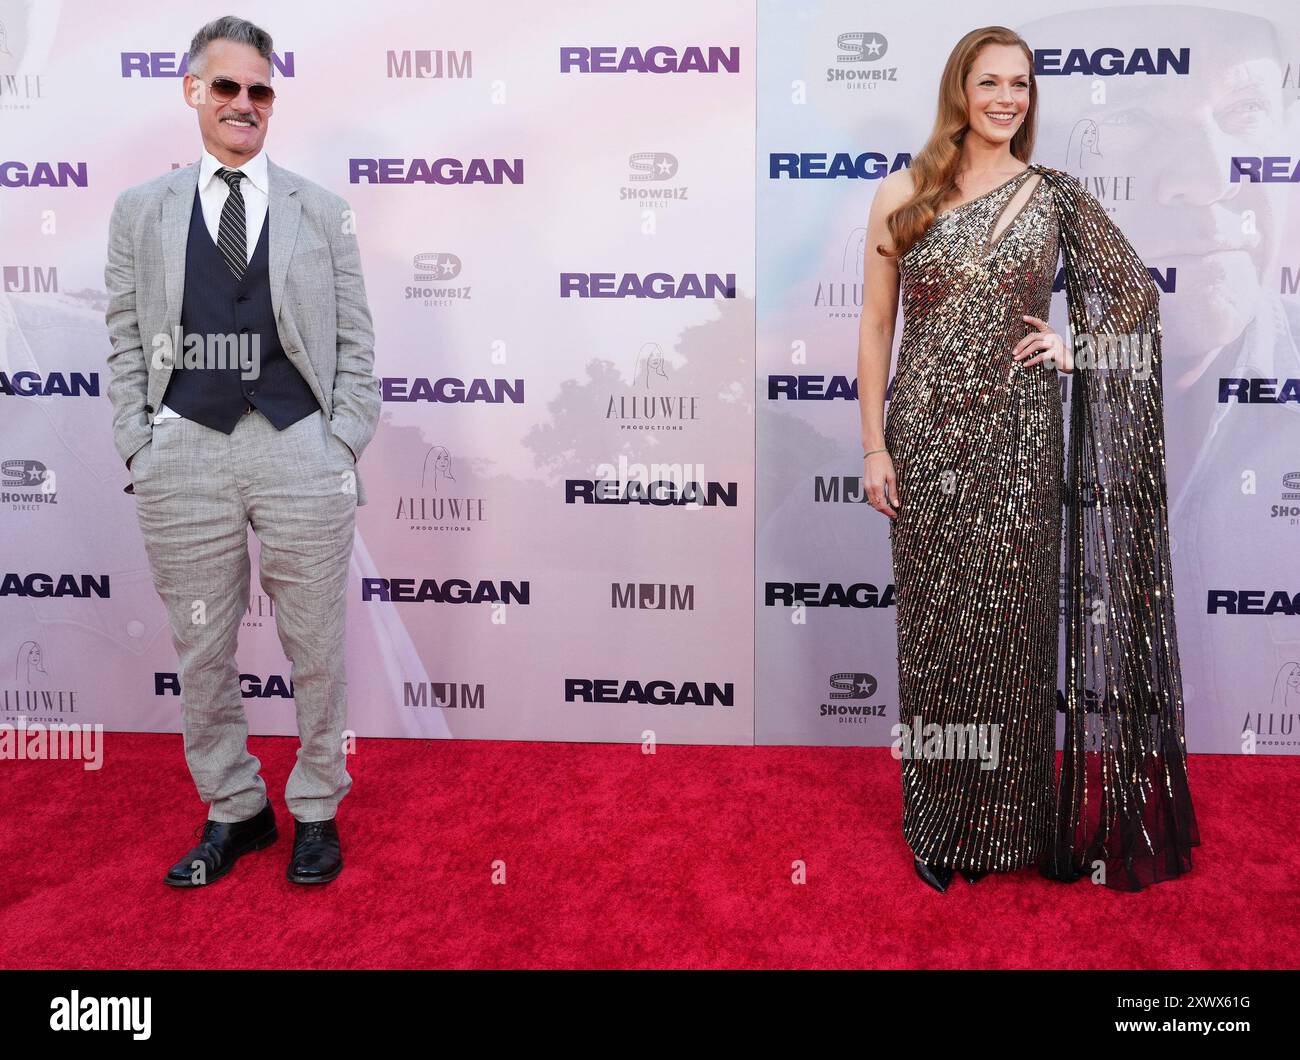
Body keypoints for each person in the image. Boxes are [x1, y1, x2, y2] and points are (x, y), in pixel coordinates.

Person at [857, 26, 1199, 893]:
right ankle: (937, 824)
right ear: (959, 92)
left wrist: (1080, 348)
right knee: (936, 642)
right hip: (927, 445)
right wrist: (871, 445)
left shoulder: (1053, 196)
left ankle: (1008, 826)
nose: (1007, 98)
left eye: (1021, 84)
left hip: (1019, 444)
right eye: (991, 83)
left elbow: (1138, 299)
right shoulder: (904, 191)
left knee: (1010, 639)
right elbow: (873, 328)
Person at [103, 15, 380, 887]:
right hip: (183, 449)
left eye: (260, 90)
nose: (244, 103)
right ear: (194, 91)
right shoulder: (140, 210)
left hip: (301, 445)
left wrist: (343, 439)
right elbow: (121, 336)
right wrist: (139, 446)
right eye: (226, 86)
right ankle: (235, 808)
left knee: (316, 646)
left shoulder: (322, 211)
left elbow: (358, 343)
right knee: (202, 650)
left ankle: (316, 808)